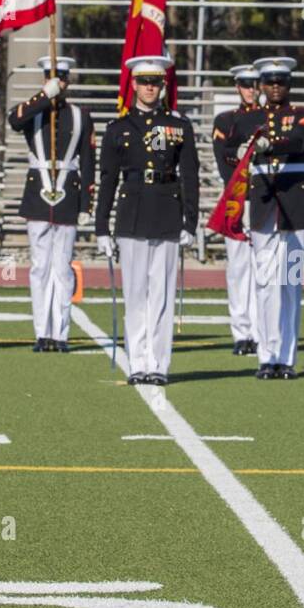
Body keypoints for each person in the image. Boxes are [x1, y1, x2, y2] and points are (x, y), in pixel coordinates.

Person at [95, 54, 198, 386]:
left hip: (168, 209)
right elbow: (109, 179)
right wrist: (101, 227)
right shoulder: (118, 128)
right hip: (132, 213)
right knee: (136, 294)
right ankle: (137, 362)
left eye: (155, 82)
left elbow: (191, 176)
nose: (149, 88)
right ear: (133, 85)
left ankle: (159, 364)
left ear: (163, 86)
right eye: (143, 82)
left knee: (162, 295)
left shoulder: (179, 126)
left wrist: (190, 221)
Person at [225, 56, 304, 379]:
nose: (276, 87)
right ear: (261, 85)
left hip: (294, 206)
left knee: (290, 283)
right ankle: (267, 355)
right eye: (270, 82)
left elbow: (300, 141)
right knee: (264, 282)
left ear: (288, 85)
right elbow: (230, 145)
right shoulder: (250, 120)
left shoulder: (302, 116)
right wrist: (238, 152)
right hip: (264, 204)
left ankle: (286, 357)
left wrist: (268, 144)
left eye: (282, 82)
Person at [8, 56, 96, 352]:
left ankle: (60, 332)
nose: (57, 81)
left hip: (68, 194)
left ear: (69, 80)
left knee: (63, 267)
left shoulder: (81, 115)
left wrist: (86, 204)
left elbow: (88, 160)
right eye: (51, 76)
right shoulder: (34, 110)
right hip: (38, 195)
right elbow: (13, 119)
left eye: (61, 78)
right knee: (39, 266)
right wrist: (45, 95)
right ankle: (41, 331)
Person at [212, 64, 261, 355]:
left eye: (255, 84)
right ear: (237, 87)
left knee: (264, 268)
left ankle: (260, 329)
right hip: (237, 198)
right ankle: (242, 331)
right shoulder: (226, 120)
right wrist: (236, 157)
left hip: (264, 198)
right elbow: (221, 159)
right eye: (245, 84)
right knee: (239, 267)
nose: (250, 89)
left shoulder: (270, 119)